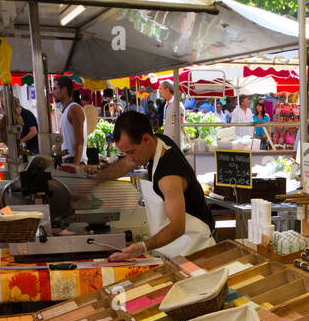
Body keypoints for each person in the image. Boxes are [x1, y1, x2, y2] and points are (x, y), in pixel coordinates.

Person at [86, 110, 215, 261]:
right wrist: (91, 182)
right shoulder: (158, 142)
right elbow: (124, 165)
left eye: (131, 152)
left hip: (197, 248)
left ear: (146, 139)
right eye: (125, 153)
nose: (130, 158)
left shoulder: (169, 176)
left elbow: (177, 228)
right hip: (179, 248)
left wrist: (142, 247)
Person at [52, 74, 85, 170]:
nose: (52, 92)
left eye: (55, 88)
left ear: (64, 90)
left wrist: (75, 165)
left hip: (74, 161)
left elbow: (80, 140)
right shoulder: (66, 110)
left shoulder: (74, 109)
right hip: (67, 160)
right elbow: (62, 141)